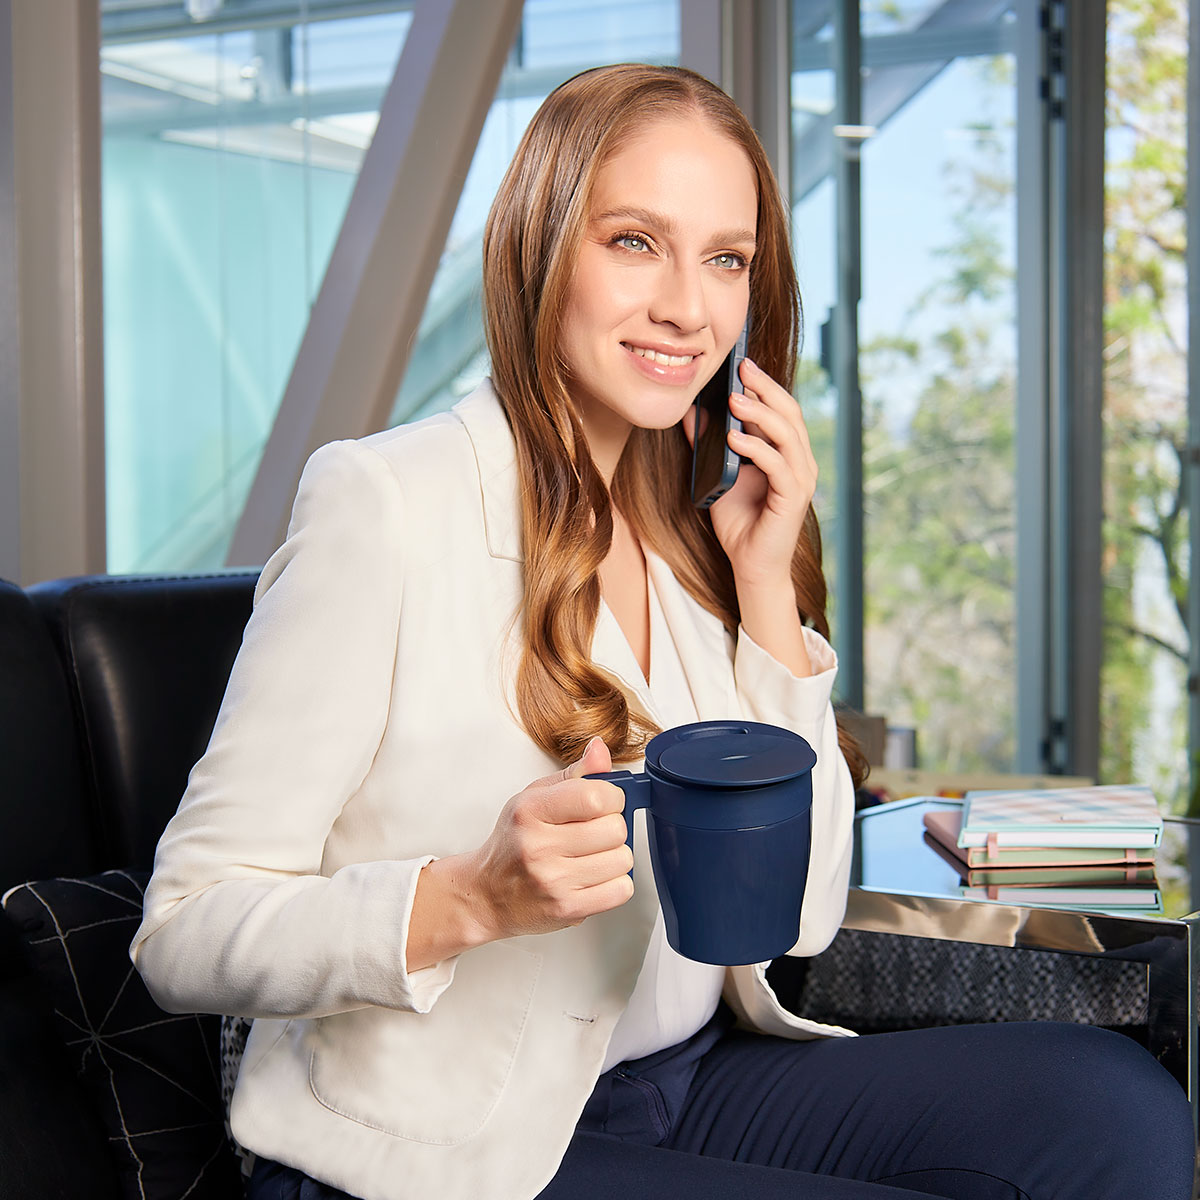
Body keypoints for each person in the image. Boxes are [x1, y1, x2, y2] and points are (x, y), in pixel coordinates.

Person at [131, 64, 1195, 1200]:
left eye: (726, 258)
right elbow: (182, 933)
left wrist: (767, 590)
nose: (689, 306)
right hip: (456, 1136)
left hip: (688, 1076)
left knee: (1113, 1112)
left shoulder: (691, 529)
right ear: (544, 246)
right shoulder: (383, 503)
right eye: (636, 241)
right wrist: (469, 897)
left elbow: (806, 904)